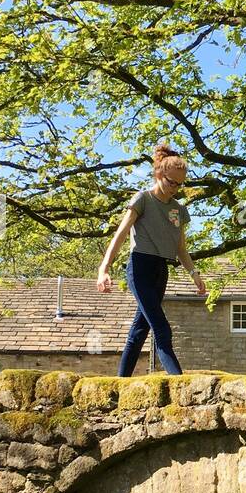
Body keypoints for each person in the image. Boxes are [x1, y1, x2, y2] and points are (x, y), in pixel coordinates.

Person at [97, 142, 206, 375]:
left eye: (180, 184)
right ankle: (179, 382)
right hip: (140, 268)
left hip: (160, 271)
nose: (175, 188)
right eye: (171, 182)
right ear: (159, 173)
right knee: (162, 329)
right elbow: (121, 234)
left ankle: (120, 383)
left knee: (139, 330)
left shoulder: (178, 210)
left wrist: (194, 275)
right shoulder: (143, 199)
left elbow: (181, 248)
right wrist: (104, 268)